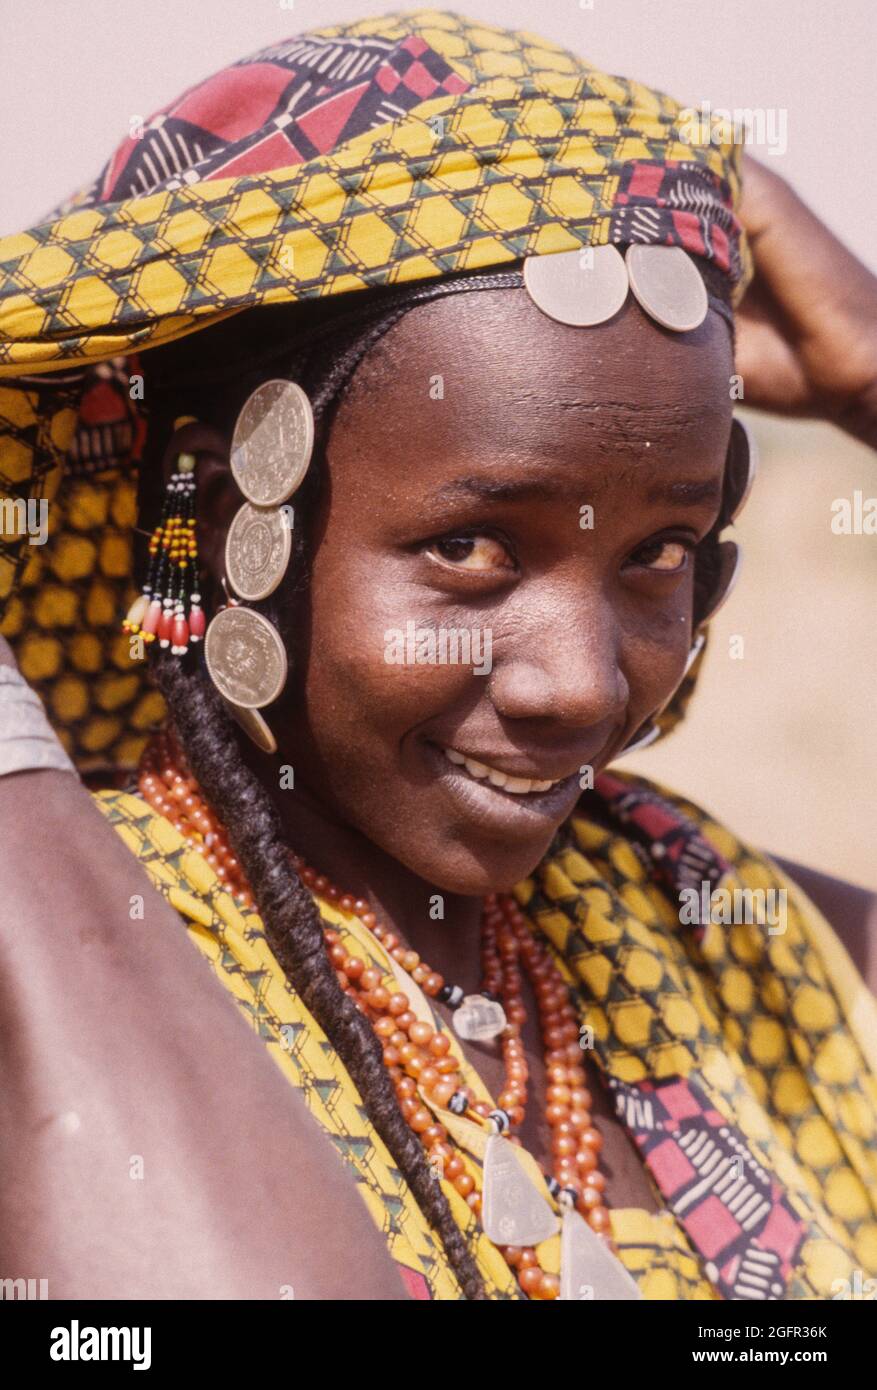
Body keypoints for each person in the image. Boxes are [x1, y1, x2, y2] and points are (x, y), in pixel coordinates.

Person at [1, 10, 876, 1302]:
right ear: (216, 512)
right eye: (469, 547)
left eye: (656, 551)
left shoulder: (740, 944)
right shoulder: (62, 944)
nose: (576, 682)